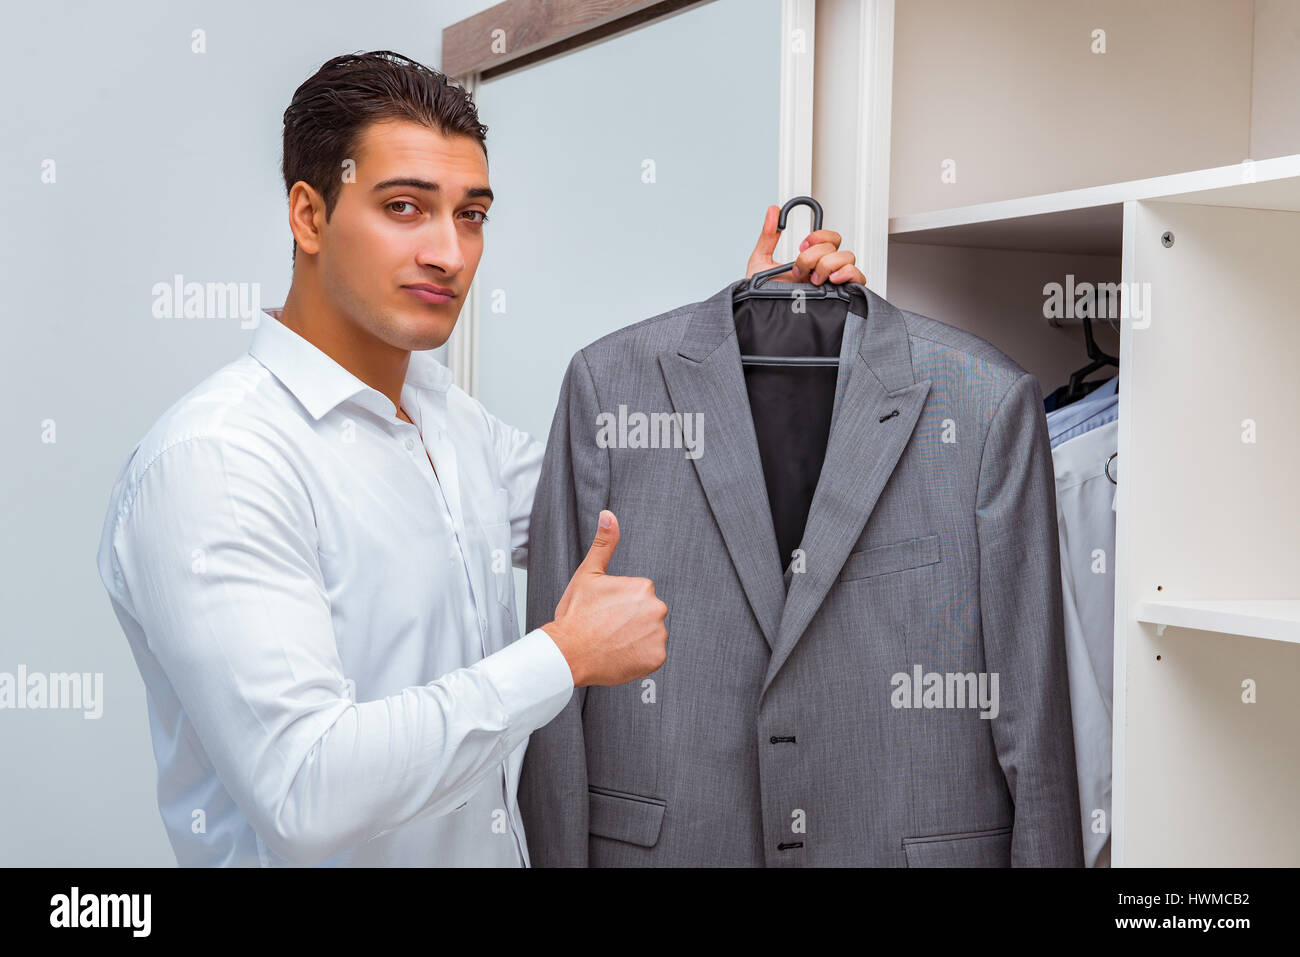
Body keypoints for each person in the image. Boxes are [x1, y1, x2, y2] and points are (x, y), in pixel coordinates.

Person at [95, 50, 867, 867]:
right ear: (309, 216)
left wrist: (751, 341)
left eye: (471, 215)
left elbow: (640, 509)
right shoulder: (217, 461)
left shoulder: (447, 419)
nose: (449, 253)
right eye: (404, 207)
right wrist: (561, 658)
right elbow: (305, 789)